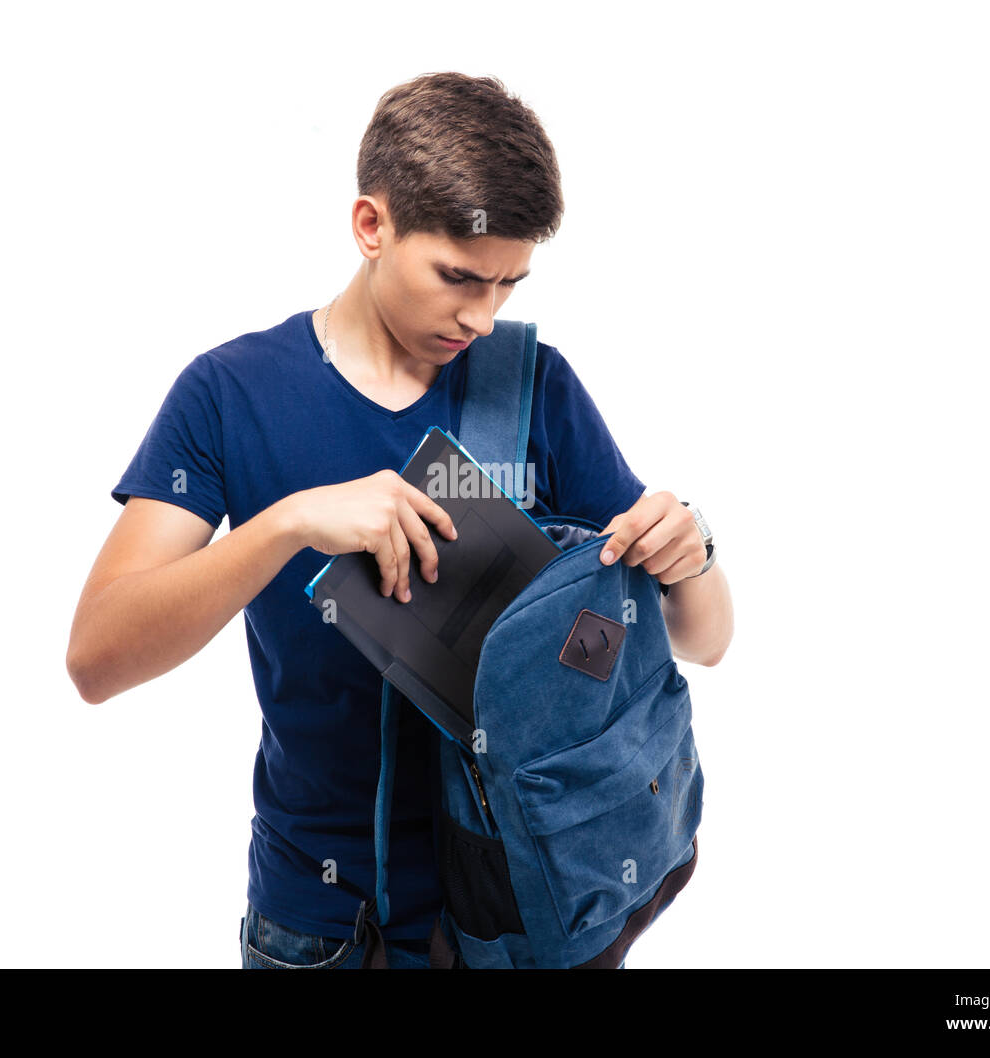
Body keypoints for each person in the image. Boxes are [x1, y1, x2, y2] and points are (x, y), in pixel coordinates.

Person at [66, 71, 733, 970]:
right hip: (319, 923)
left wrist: (689, 553)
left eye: (507, 283)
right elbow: (97, 659)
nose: (480, 315)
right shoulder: (232, 392)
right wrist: (284, 525)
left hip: (524, 914)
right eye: (457, 276)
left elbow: (704, 640)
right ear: (370, 226)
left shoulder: (532, 385)